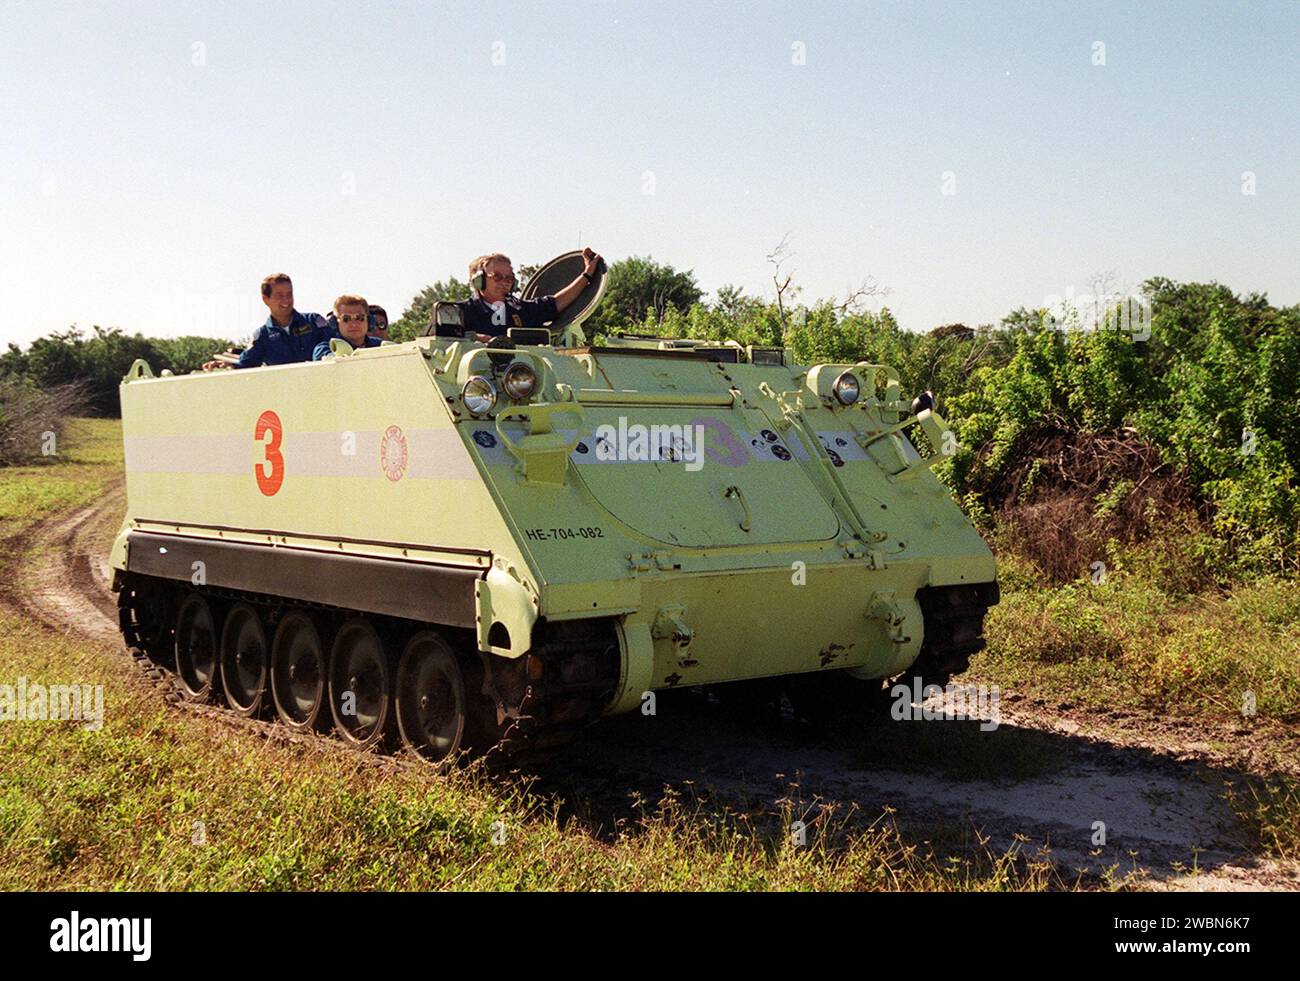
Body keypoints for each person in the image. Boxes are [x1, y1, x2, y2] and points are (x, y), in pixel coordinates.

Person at [455, 247, 601, 341]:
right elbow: (436, 345)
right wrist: (474, 338)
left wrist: (586, 275)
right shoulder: (458, 313)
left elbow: (558, 302)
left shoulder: (522, 310)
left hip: (522, 382)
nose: (505, 282)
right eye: (497, 277)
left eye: (509, 278)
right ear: (478, 280)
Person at [202, 273, 332, 369]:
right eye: (279, 295)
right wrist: (225, 365)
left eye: (289, 294)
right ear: (265, 299)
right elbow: (246, 364)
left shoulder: (314, 322)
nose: (286, 300)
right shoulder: (262, 336)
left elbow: (337, 347)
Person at [313, 295, 384, 360]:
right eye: (346, 319)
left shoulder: (380, 346)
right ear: (334, 323)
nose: (354, 324)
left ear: (369, 321)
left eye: (360, 318)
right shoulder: (325, 349)